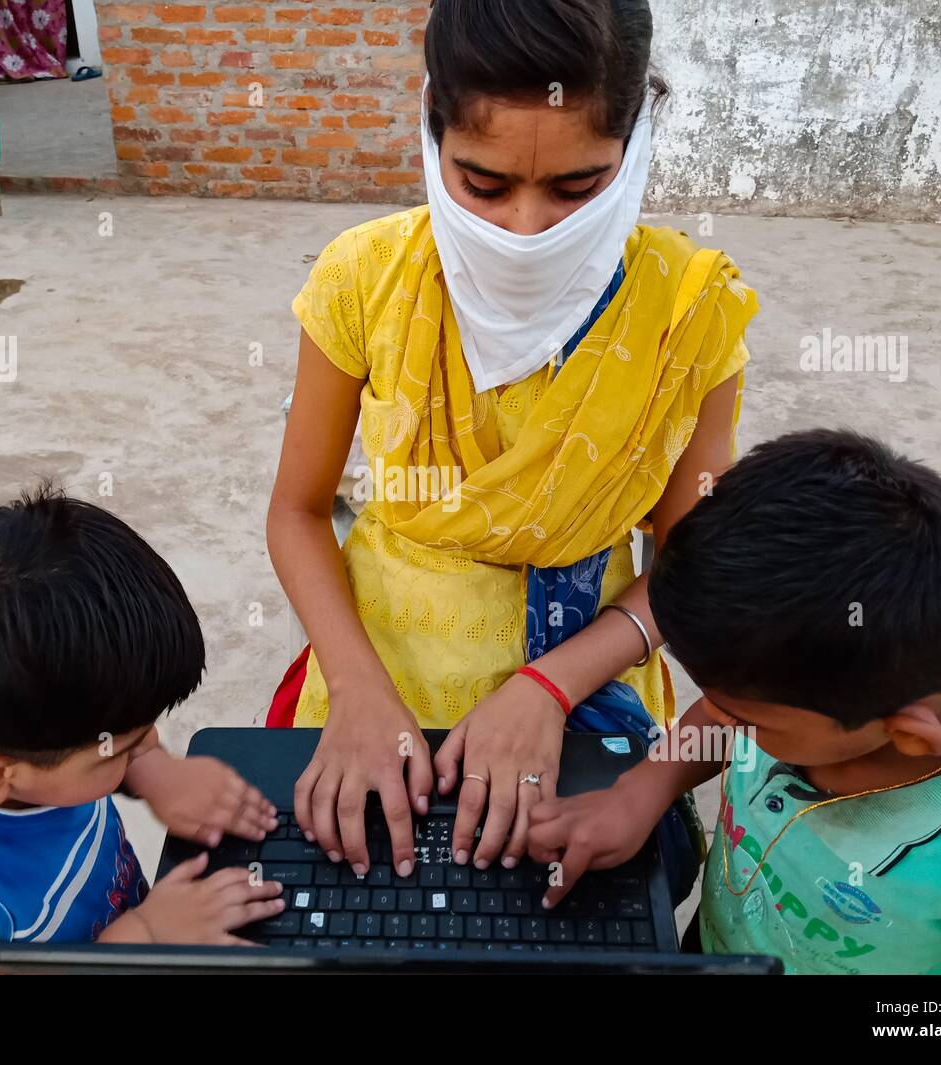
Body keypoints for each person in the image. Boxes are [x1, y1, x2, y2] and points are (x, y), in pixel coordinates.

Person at [267, 0, 757, 897]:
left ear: (638, 142)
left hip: (587, 679)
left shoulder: (690, 312)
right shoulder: (364, 280)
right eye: (482, 183)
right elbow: (297, 511)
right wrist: (358, 691)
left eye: (578, 189)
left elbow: (693, 562)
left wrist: (550, 687)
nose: (525, 231)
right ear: (430, 129)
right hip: (374, 664)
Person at [528, 429, 941, 974]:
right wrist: (642, 789)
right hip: (711, 947)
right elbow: (721, 717)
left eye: (746, 720)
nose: (719, 718)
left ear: (907, 733)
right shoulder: (803, 692)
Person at [0, 487, 284, 973]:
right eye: (119, 750)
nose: (145, 745)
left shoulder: (13, 730)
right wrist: (145, 937)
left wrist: (153, 771)